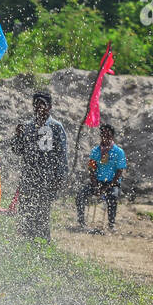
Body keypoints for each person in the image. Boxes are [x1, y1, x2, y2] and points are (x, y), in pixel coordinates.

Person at [10, 89, 68, 241]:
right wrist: (17, 136)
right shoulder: (28, 126)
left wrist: (59, 177)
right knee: (26, 209)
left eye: (43, 105)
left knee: (42, 211)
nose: (39, 108)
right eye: (36, 105)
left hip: (46, 178)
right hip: (29, 176)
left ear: (49, 107)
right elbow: (17, 150)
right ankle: (26, 240)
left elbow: (62, 154)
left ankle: (43, 242)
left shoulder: (55, 127)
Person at [75, 124, 126, 233]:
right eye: (103, 134)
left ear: (112, 136)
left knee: (112, 197)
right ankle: (81, 223)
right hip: (97, 182)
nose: (105, 137)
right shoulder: (95, 151)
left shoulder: (119, 152)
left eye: (108, 135)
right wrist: (95, 185)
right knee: (80, 195)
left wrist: (107, 187)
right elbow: (91, 169)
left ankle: (111, 225)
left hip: (112, 183)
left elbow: (119, 172)